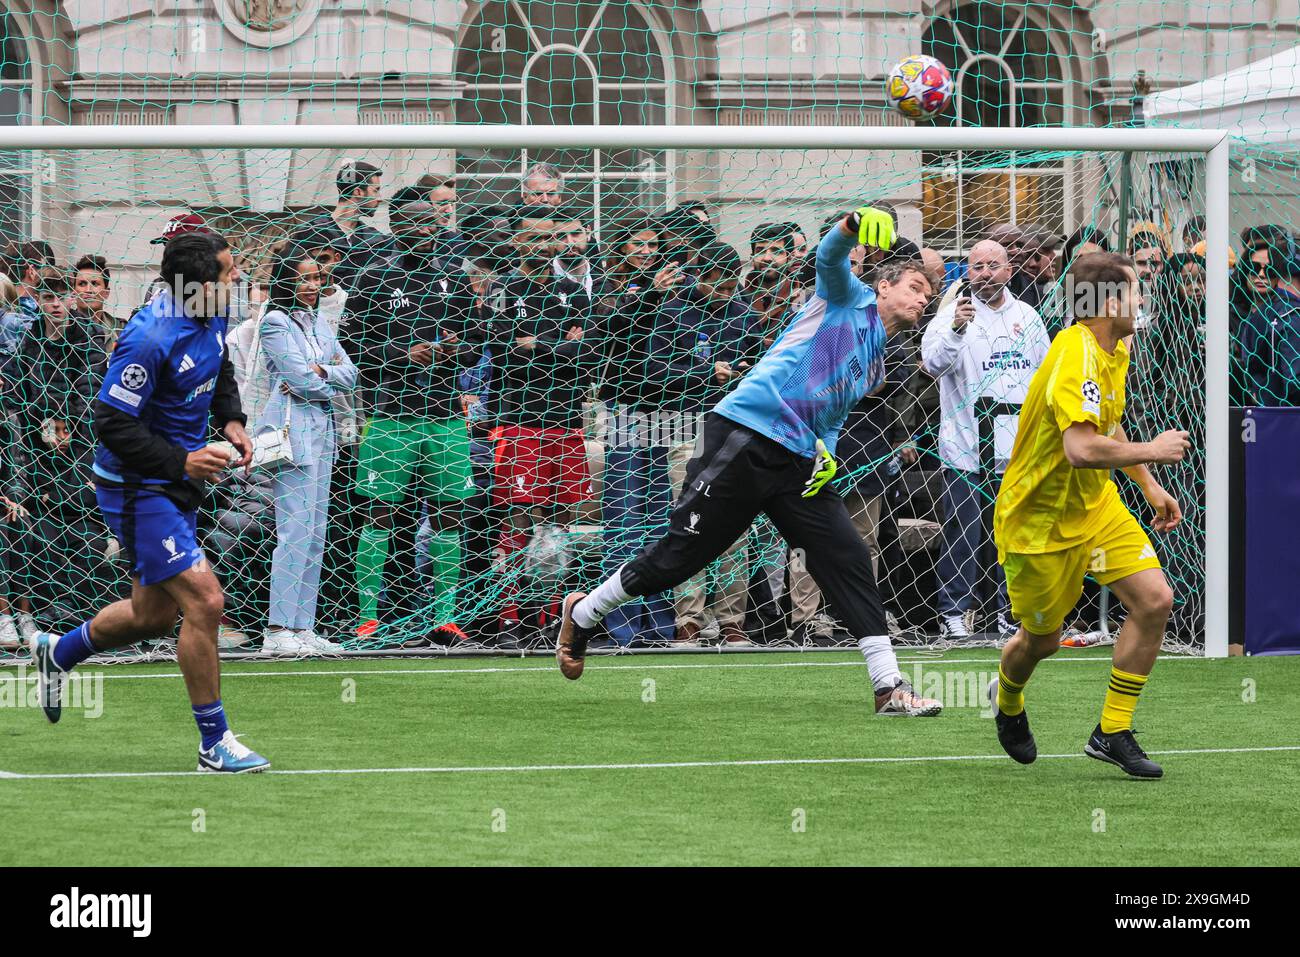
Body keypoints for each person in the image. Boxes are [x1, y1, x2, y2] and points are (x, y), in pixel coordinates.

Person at [555, 207, 942, 716]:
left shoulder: (876, 356)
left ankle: (888, 685)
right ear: (886, 285)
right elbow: (828, 256)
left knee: (846, 557)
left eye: (928, 294)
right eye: (915, 286)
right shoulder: (848, 297)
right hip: (744, 438)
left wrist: (825, 449)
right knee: (678, 559)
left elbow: (831, 410)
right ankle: (584, 612)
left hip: (798, 462)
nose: (922, 298)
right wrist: (850, 224)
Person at [28, 230, 269, 774]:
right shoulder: (148, 337)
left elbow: (220, 370)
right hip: (136, 488)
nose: (236, 280)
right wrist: (181, 462)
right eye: (229, 272)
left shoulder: (213, 314)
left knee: (153, 614)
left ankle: (57, 652)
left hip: (173, 481)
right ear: (198, 284)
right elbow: (110, 422)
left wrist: (231, 421)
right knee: (206, 601)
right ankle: (214, 741)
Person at [989, 252, 1189, 778]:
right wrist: (1153, 451)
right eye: (1135, 289)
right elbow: (1080, 447)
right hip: (1039, 525)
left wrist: (1148, 487)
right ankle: (1007, 699)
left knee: (1155, 600)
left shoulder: (1116, 345)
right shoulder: (1074, 353)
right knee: (1042, 642)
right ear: (1106, 301)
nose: (1143, 299)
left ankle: (1112, 731)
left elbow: (1107, 423)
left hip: (1094, 506)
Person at [345, 187, 484, 645]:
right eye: (412, 224)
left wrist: (452, 350)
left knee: (449, 515)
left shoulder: (455, 281)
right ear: (396, 229)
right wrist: (403, 355)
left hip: (445, 418)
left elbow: (474, 345)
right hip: (391, 417)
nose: (422, 231)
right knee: (379, 514)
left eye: (429, 224)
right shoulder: (371, 280)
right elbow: (351, 349)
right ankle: (370, 616)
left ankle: (444, 617)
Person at [922, 240, 1049, 640]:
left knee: (1012, 537)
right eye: (977, 267)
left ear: (1009, 270)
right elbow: (931, 365)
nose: (985, 273)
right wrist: (958, 328)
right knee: (964, 532)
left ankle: (1009, 611)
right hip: (965, 447)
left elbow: (1045, 375)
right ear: (967, 273)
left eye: (993, 265)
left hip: (1016, 450)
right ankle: (954, 610)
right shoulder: (950, 313)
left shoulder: (1028, 316)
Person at [257, 246, 358, 656]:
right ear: (287, 280)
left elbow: (350, 373)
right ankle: (277, 627)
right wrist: (322, 375)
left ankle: (303, 626)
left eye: (317, 278)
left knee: (316, 533)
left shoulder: (319, 322)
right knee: (294, 530)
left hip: (323, 430)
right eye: (304, 278)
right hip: (293, 432)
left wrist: (324, 373)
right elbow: (302, 381)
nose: (313, 285)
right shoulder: (275, 322)